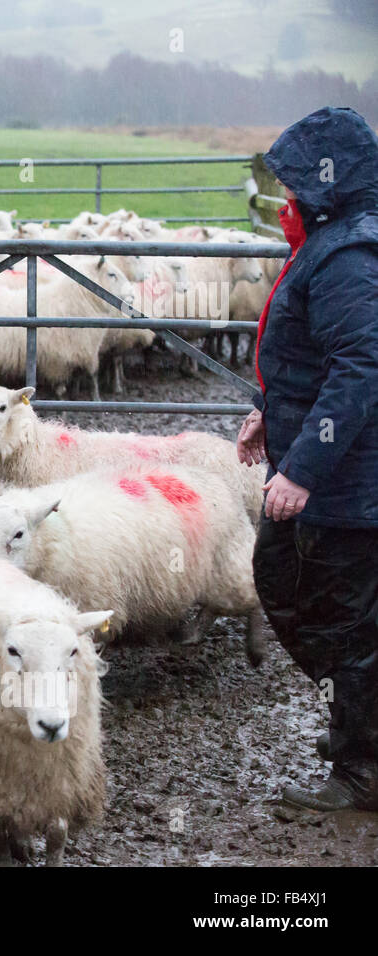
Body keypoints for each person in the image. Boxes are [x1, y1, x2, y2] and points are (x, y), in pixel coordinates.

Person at [236, 106, 378, 812]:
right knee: (306, 594)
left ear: (330, 183)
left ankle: (362, 769)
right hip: (335, 470)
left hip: (349, 483)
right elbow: (317, 357)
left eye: (295, 183)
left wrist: (301, 471)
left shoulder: (350, 255)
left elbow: (359, 369)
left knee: (338, 617)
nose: (285, 197)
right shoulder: (334, 241)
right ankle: (361, 726)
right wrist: (271, 408)